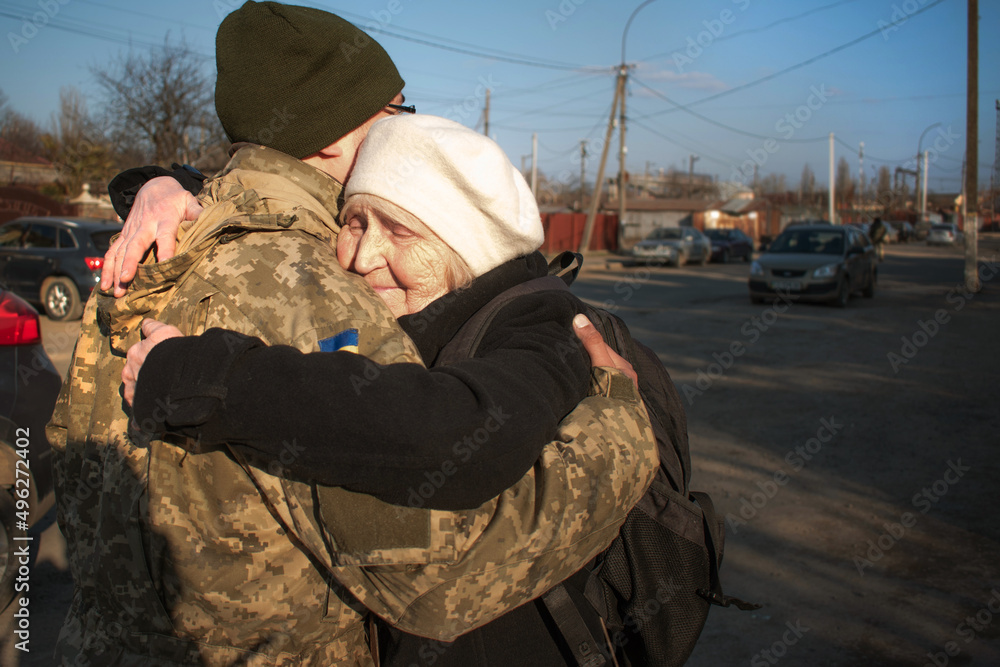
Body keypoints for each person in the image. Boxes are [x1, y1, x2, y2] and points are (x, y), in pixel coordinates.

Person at [48, 3, 656, 665]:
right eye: (396, 110)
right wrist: (621, 436)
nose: (408, 125)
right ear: (335, 132)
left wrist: (161, 180)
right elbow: (441, 575)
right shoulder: (309, 287)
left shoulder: (142, 254)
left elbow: (74, 468)